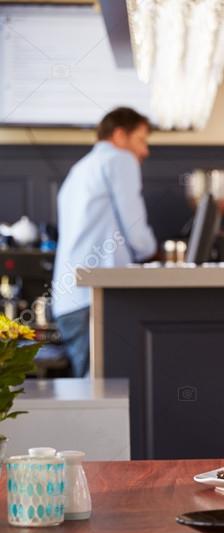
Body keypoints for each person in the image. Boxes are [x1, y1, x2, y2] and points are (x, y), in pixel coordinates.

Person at [52, 107, 158, 377]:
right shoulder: (119, 160)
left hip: (70, 300)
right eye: (141, 140)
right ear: (120, 135)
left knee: (90, 392)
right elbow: (137, 233)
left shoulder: (80, 169)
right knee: (99, 398)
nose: (145, 151)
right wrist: (153, 251)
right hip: (92, 299)